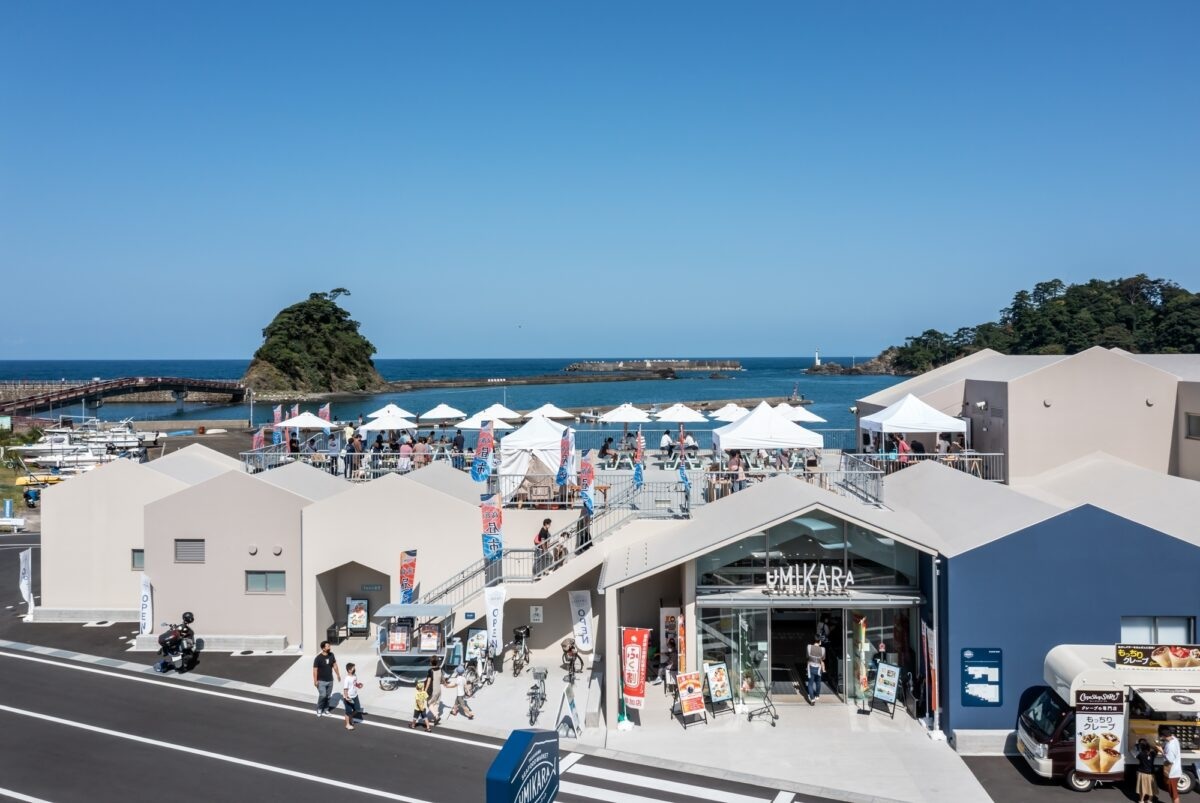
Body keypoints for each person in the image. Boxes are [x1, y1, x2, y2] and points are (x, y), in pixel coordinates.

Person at [312, 641, 342, 718]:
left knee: (328, 696)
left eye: (329, 646)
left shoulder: (332, 655)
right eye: (328, 646)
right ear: (323, 648)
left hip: (330, 680)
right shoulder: (318, 658)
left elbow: (334, 665)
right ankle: (319, 708)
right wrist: (315, 680)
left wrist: (338, 674)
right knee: (323, 695)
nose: (329, 647)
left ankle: (326, 709)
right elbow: (315, 670)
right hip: (321, 681)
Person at [341, 662, 364, 730]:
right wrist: (346, 697)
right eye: (353, 668)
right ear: (349, 670)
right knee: (348, 712)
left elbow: (355, 683)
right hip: (349, 697)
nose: (355, 669)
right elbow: (345, 689)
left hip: (355, 695)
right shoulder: (347, 679)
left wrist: (358, 685)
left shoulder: (354, 675)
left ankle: (350, 717)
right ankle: (347, 725)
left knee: (357, 709)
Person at [1134, 738, 1157, 803]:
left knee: (1142, 788)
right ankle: (1149, 800)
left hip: (1142, 773)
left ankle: (1141, 800)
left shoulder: (1140, 754)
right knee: (1151, 787)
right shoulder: (1153, 754)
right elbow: (1156, 749)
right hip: (1151, 773)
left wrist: (1136, 744)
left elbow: (1135, 751)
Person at [1162, 728, 1182, 802]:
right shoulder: (1174, 740)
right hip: (1176, 771)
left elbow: (1170, 759)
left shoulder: (1170, 746)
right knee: (1174, 793)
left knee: (1174, 794)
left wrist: (1162, 751)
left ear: (1164, 736)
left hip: (1172, 773)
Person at [806, 634, 826, 704]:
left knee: (810, 684)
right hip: (818, 668)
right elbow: (823, 658)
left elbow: (807, 656)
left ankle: (812, 699)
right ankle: (817, 695)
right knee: (818, 682)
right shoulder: (823, 649)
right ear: (819, 641)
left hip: (811, 667)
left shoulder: (809, 647)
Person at [425, 656, 443, 724]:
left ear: (430, 663)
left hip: (433, 690)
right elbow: (442, 679)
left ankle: (436, 716)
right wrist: (445, 684)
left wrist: (425, 691)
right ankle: (435, 718)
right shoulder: (440, 669)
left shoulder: (430, 671)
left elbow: (428, 682)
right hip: (439, 689)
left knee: (429, 704)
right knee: (435, 704)